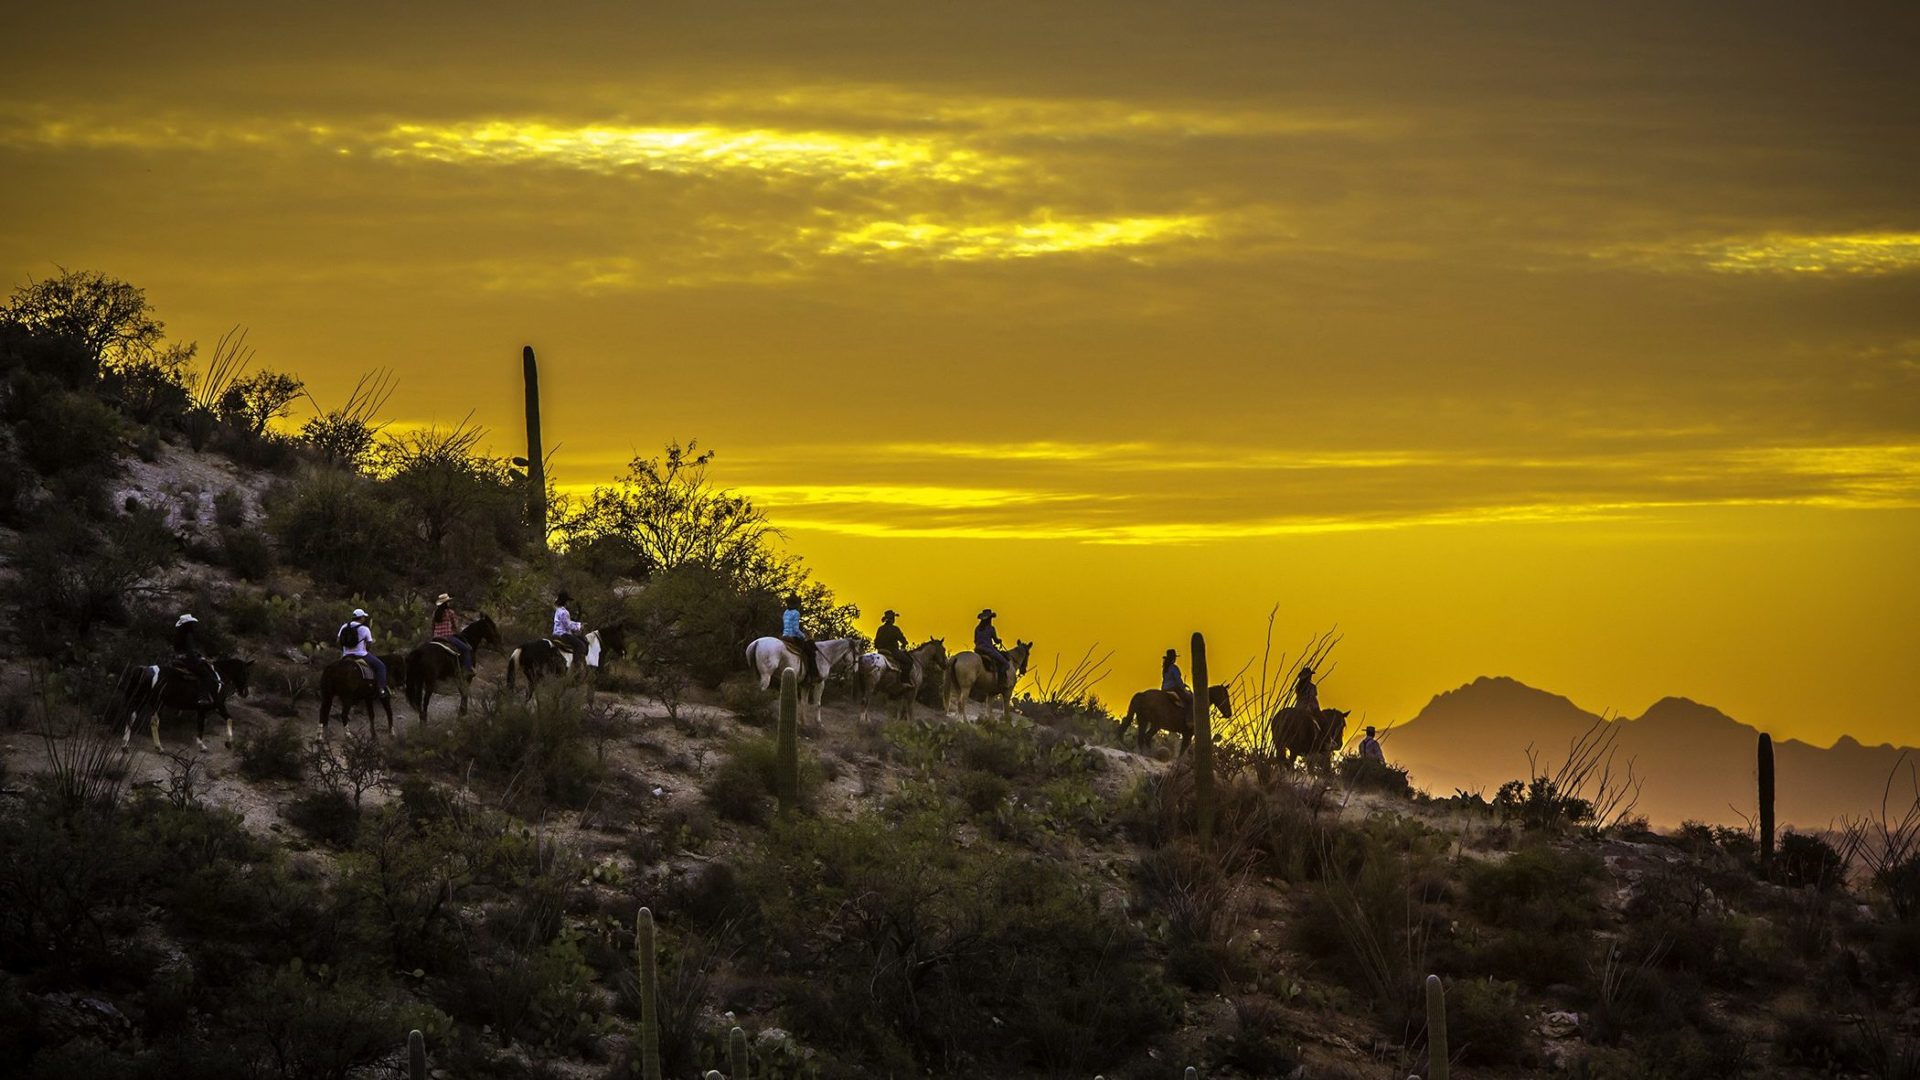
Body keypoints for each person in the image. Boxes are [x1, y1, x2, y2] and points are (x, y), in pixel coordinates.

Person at [172, 613, 220, 708]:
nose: (193, 626)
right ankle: (203, 697)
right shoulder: (189, 635)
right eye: (191, 624)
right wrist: (198, 659)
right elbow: (190, 651)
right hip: (188, 660)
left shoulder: (178, 634)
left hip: (178, 659)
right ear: (188, 625)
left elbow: (181, 649)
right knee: (206, 675)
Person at [338, 608, 388, 698]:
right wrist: (365, 648)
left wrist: (346, 650)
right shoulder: (364, 629)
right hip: (361, 654)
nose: (364, 619)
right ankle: (381, 689)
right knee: (381, 666)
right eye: (364, 617)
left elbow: (339, 640)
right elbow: (369, 644)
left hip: (345, 655)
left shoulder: (344, 626)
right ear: (361, 618)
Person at [431, 592, 474, 674]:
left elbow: (432, 627)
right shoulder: (450, 612)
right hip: (447, 637)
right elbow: (454, 626)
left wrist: (433, 636)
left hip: (436, 637)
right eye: (448, 602)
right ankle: (468, 669)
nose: (449, 603)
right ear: (446, 603)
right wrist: (456, 632)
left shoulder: (435, 613)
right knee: (466, 649)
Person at [781, 594, 819, 682]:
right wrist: (804, 637)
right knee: (811, 652)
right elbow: (795, 629)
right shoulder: (796, 613)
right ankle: (812, 675)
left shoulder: (786, 612)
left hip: (784, 635)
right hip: (793, 637)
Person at [873, 609, 912, 686]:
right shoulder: (895, 629)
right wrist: (904, 643)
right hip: (892, 651)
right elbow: (902, 640)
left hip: (880, 651)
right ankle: (904, 681)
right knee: (908, 662)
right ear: (892, 619)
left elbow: (876, 642)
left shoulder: (880, 628)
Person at [974, 608, 1010, 685]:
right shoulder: (991, 628)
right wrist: (999, 641)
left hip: (977, 649)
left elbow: (975, 640)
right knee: (1005, 663)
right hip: (988, 649)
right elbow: (996, 640)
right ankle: (1001, 682)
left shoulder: (977, 628)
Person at [553, 591, 589, 662]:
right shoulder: (564, 612)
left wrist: (578, 624)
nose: (569, 603)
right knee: (580, 645)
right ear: (565, 602)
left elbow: (567, 622)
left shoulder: (558, 610)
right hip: (563, 634)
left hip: (557, 633)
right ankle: (576, 665)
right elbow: (568, 625)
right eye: (568, 601)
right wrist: (579, 627)